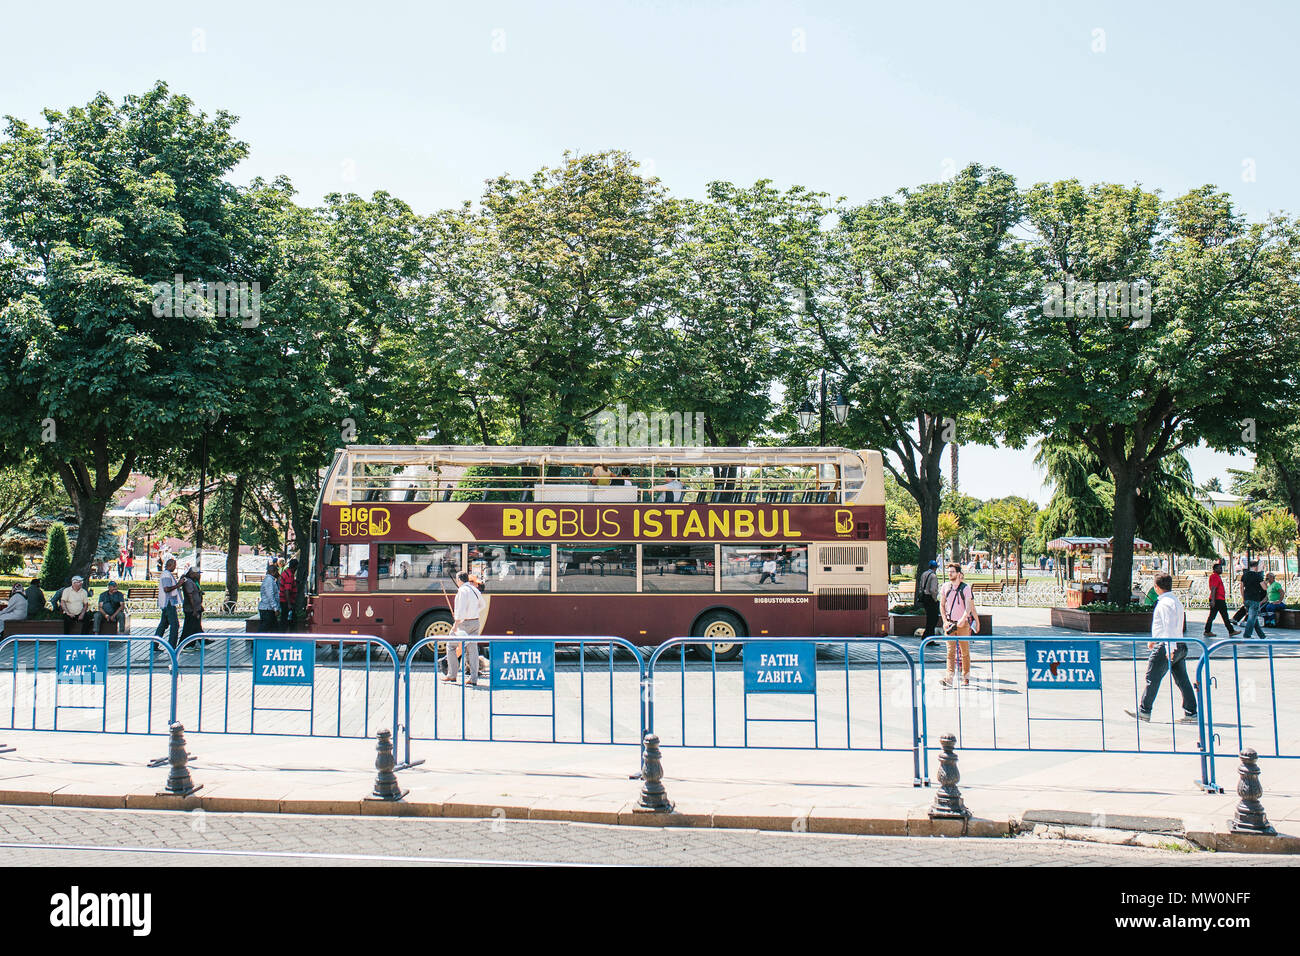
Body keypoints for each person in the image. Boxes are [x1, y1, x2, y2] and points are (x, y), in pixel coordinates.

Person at [1127, 573, 1198, 723]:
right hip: (1179, 643)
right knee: (1182, 680)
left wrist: (1168, 647)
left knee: (1152, 677)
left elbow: (1168, 625)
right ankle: (1191, 712)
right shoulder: (1176, 601)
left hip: (1167, 644)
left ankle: (1144, 710)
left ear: (1156, 587)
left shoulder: (1164, 603)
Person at [938, 563, 978, 688]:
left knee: (964, 652)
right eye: (949, 571)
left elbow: (968, 607)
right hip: (950, 624)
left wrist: (964, 618)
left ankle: (965, 677)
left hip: (962, 624)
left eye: (952, 571)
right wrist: (945, 621)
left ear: (959, 574)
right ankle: (949, 678)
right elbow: (942, 605)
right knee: (950, 652)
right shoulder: (945, 587)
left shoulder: (966, 588)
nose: (950, 573)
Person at [444, 569, 483, 685]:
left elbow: (460, 610)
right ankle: (473, 678)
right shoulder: (475, 590)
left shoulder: (462, 591)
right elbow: (483, 605)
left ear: (459, 580)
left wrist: (456, 625)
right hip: (475, 622)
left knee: (450, 646)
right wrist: (473, 612)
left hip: (463, 623)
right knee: (473, 649)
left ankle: (452, 675)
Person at [153, 558, 182, 652]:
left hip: (167, 602)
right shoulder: (166, 574)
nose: (175, 567)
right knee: (175, 624)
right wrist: (178, 585)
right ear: (170, 565)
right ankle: (171, 646)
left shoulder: (167, 574)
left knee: (163, 624)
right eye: (174, 565)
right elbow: (166, 589)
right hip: (168, 602)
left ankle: (155, 645)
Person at [1203, 561, 1237, 637]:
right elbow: (1213, 588)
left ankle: (1208, 630)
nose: (1221, 570)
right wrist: (1213, 600)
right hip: (1218, 599)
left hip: (1218, 598)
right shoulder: (1215, 576)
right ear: (1215, 569)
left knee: (1216, 615)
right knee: (1222, 615)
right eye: (1220, 568)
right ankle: (1230, 631)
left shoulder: (1216, 576)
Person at [1238, 559, 1267, 639]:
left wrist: (1243, 598)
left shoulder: (1244, 575)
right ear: (1256, 566)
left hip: (1247, 598)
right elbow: (1264, 588)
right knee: (1251, 618)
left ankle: (1262, 636)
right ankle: (1247, 635)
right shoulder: (1258, 576)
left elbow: (1241, 587)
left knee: (1254, 618)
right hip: (1255, 599)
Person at [179, 566, 204, 646]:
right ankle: (187, 644)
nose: (199, 575)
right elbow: (190, 596)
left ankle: (199, 641)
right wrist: (194, 609)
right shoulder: (188, 582)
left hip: (196, 607)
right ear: (192, 573)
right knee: (189, 627)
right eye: (198, 574)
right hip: (191, 609)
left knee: (195, 626)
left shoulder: (193, 581)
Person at [917, 560, 941, 638]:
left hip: (925, 597)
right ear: (935, 568)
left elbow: (921, 586)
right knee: (933, 619)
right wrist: (935, 599)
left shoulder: (924, 574)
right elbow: (933, 590)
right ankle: (929, 637)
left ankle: (926, 636)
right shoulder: (933, 576)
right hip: (930, 598)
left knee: (929, 618)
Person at [258, 560, 280, 631]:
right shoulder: (269, 581)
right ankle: (258, 640)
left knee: (272, 627)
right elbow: (270, 595)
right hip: (267, 608)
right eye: (277, 571)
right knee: (265, 627)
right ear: (273, 572)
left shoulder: (270, 580)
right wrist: (275, 608)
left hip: (268, 608)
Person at [279, 558, 299, 631]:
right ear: (295, 567)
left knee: (284, 618)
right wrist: (289, 603)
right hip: (286, 600)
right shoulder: (290, 575)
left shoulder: (285, 572)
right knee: (289, 619)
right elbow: (287, 590)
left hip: (283, 599)